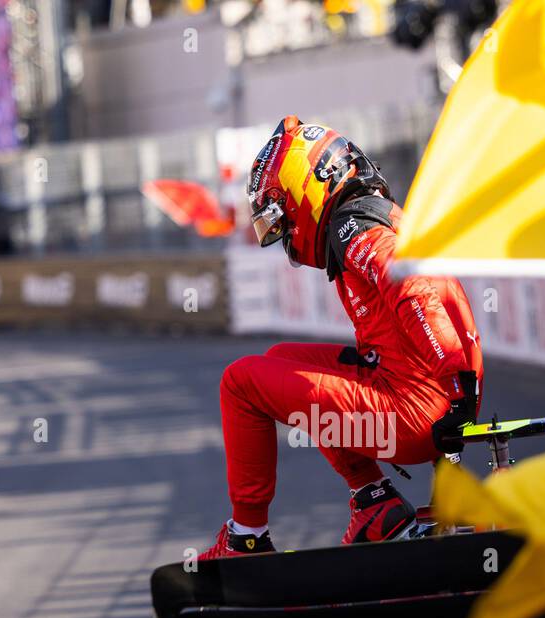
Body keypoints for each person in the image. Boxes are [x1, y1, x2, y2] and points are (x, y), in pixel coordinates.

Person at [199, 115, 484, 559]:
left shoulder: (355, 230)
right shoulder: (370, 217)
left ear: (308, 189)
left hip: (416, 414)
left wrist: (455, 391)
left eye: (283, 214)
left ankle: (245, 539)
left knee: (239, 382)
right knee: (281, 357)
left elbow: (414, 292)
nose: (287, 234)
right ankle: (375, 503)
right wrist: (457, 390)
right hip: (422, 397)